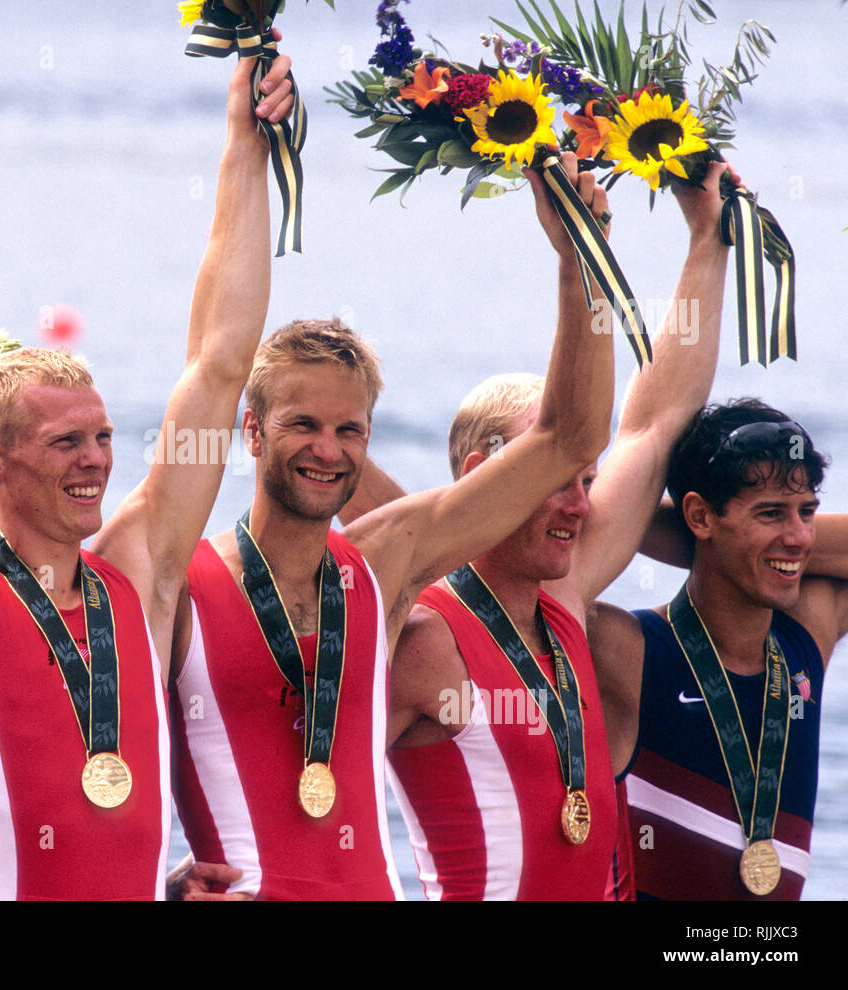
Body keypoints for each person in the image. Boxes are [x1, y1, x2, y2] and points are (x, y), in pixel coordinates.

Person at [0, 30, 296, 899]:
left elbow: (219, 363)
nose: (96, 461)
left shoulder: (141, 573)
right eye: (66, 444)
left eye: (100, 437)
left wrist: (245, 146)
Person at [168, 150, 616, 900]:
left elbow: (571, 438)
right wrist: (168, 885)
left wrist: (581, 264)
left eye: (349, 430)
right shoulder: (176, 585)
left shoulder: (384, 566)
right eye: (302, 424)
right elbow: (90, 755)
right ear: (250, 431)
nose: (327, 449)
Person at [322, 160, 739, 900]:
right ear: (486, 474)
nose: (582, 506)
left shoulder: (567, 592)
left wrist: (708, 239)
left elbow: (657, 420)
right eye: (558, 482)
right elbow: (317, 798)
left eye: (586, 481)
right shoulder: (423, 638)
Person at [591, 400, 847, 899]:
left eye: (807, 512)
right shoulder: (625, 649)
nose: (799, 538)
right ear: (699, 514)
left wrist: (745, 541)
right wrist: (711, 534)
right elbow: (555, 525)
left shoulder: (804, 641)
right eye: (770, 513)